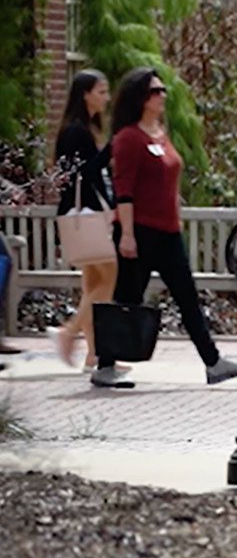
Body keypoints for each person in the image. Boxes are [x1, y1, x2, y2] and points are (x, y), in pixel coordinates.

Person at [96, 68, 237, 389]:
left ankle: (213, 362)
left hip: (167, 232)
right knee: (127, 298)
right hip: (137, 230)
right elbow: (123, 189)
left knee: (187, 296)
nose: (162, 95)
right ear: (141, 97)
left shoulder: (160, 134)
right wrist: (125, 234)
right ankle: (105, 366)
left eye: (162, 90)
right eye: (155, 91)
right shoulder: (128, 138)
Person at [53, 70, 115, 371]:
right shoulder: (76, 131)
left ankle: (93, 353)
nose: (106, 98)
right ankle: (69, 332)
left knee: (92, 282)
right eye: (101, 92)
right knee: (109, 276)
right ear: (85, 94)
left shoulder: (81, 128)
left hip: (81, 213)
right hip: (83, 214)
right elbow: (89, 173)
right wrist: (111, 150)